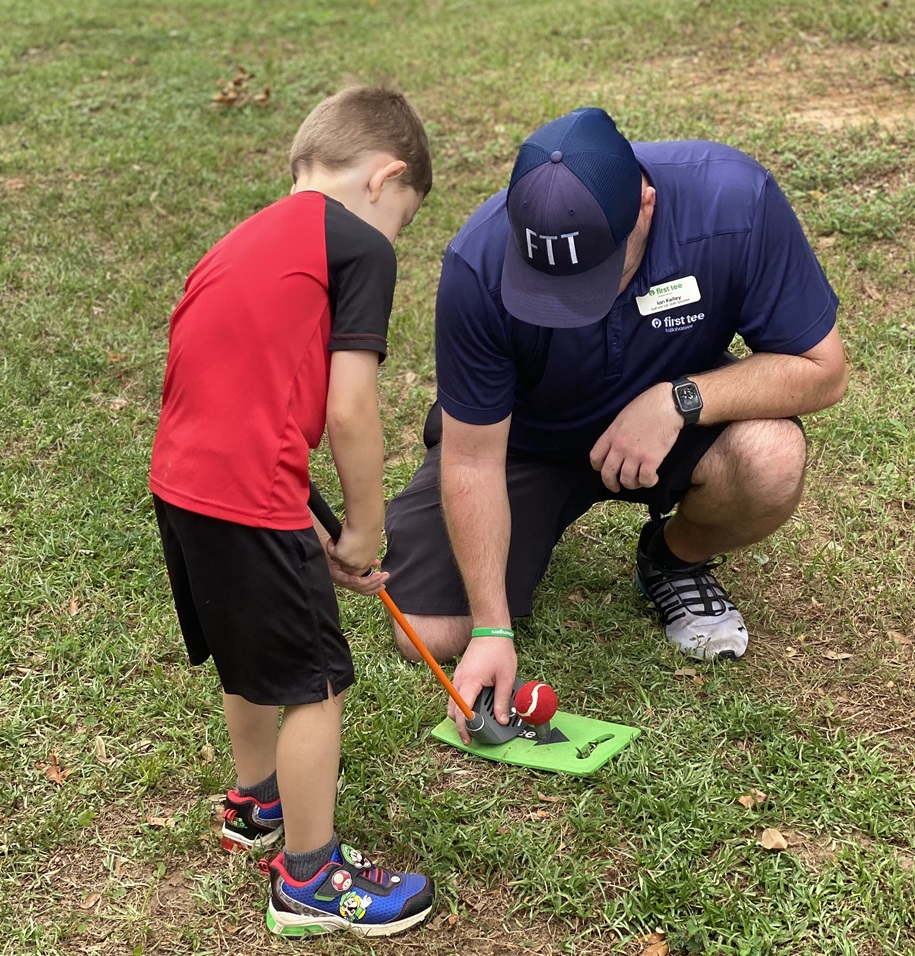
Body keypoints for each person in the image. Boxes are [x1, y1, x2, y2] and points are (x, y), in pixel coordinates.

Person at [380, 106, 847, 744]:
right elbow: (472, 459)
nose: (570, 299)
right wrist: (491, 628)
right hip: (525, 443)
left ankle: (672, 562)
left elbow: (823, 370)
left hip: (672, 428)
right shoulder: (477, 261)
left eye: (596, 271)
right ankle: (518, 540)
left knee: (770, 457)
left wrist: (679, 399)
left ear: (647, 204)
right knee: (429, 634)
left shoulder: (734, 202)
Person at [149, 86, 435, 937]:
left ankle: (255, 800)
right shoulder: (358, 248)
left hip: (184, 479)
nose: (396, 242)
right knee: (316, 684)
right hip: (244, 489)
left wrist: (310, 531)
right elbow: (349, 410)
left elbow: (238, 405)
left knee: (250, 653)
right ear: (386, 179)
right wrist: (365, 527)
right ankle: (310, 878)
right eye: (406, 221)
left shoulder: (242, 238)